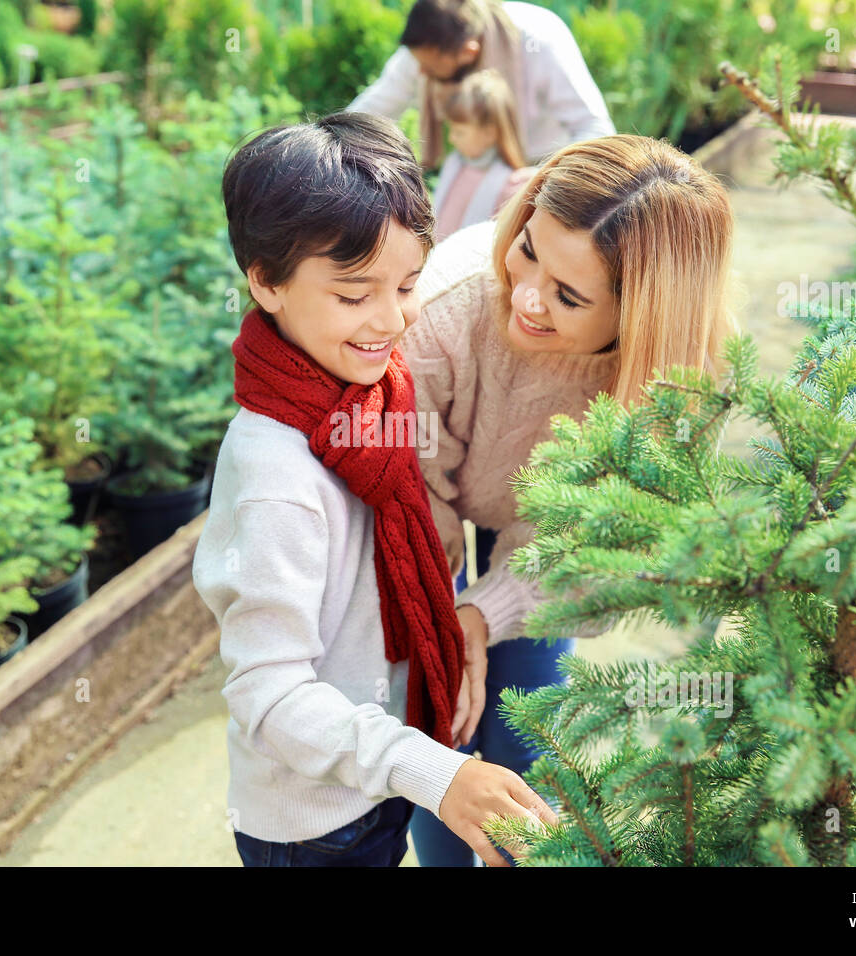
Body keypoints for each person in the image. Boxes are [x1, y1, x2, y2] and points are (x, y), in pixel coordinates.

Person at [193, 110, 558, 867]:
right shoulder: (277, 472)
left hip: (372, 782)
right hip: (314, 823)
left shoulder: (372, 395)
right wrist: (436, 772)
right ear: (265, 281)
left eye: (409, 284)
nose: (392, 320)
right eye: (354, 295)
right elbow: (270, 696)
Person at [401, 134, 738, 865]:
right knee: (438, 714)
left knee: (526, 719)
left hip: (551, 524)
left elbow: (594, 551)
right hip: (436, 482)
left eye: (569, 295)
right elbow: (409, 478)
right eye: (528, 250)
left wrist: (485, 613)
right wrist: (444, 610)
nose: (527, 296)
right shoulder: (447, 307)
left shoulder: (680, 387)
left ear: (642, 313)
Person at [347, 0, 615, 171]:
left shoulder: (540, 40)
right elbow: (371, 110)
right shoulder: (425, 49)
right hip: (473, 166)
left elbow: (595, 129)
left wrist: (542, 181)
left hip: (542, 167)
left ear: (468, 52)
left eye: (429, 66)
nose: (420, 72)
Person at [432, 69, 536, 242]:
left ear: (489, 133)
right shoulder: (455, 164)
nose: (451, 138)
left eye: (460, 132)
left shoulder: (510, 186)